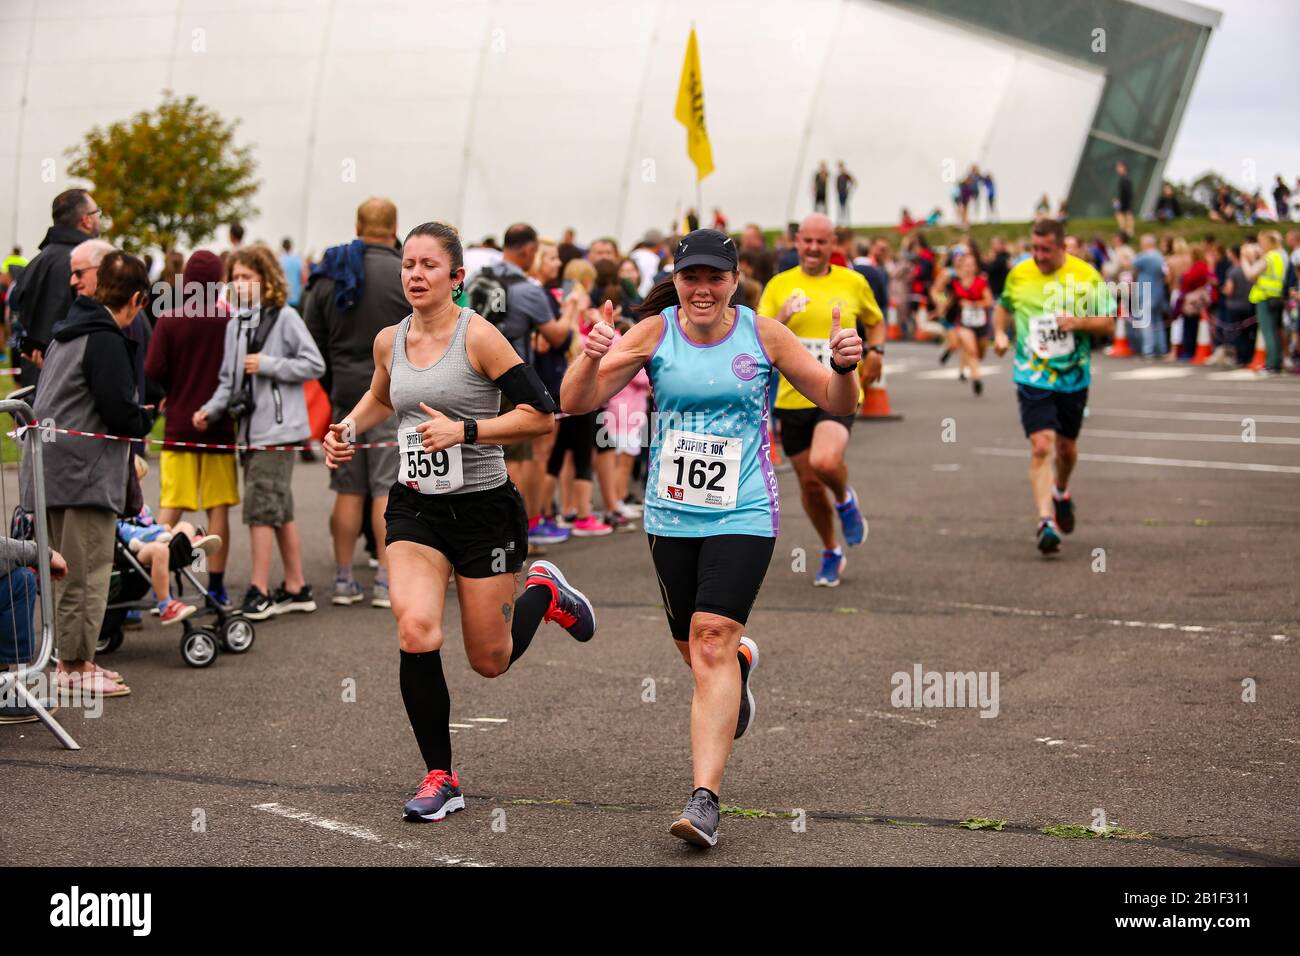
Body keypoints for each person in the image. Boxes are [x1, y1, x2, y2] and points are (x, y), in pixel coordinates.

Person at [560, 228, 863, 848]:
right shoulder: (653, 331)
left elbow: (837, 401)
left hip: (744, 508)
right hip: (670, 515)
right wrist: (591, 354)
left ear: (733, 281)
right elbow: (574, 400)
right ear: (676, 281)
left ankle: (705, 801)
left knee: (710, 641)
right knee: (698, 655)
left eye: (714, 278)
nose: (702, 289)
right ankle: (738, 673)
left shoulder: (762, 333)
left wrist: (844, 366)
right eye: (690, 278)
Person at [323, 221, 596, 822]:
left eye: (428, 265)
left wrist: (466, 429)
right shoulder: (388, 340)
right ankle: (441, 776)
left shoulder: (480, 338)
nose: (415, 275)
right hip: (416, 507)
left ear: (456, 277)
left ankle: (545, 593)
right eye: (408, 264)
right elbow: (378, 396)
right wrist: (345, 428)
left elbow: (541, 415)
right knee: (416, 628)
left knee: (489, 660)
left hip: (484, 511)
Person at [19, 251, 155, 698]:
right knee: (86, 570)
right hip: (84, 475)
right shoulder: (106, 340)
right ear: (136, 299)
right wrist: (143, 419)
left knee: (60, 570)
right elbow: (118, 411)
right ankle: (76, 667)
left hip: (50, 471)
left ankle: (68, 661)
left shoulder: (66, 334)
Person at [196, 245, 325, 620]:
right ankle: (297, 586)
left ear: (266, 280)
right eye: (235, 278)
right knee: (279, 511)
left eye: (247, 277)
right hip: (250, 433)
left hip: (277, 433)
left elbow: (313, 363)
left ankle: (260, 590)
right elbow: (227, 379)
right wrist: (211, 409)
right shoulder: (235, 323)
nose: (240, 284)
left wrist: (269, 364)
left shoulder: (285, 318)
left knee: (259, 512)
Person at [758, 214, 882, 587]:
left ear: (833, 245)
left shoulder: (854, 282)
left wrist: (876, 350)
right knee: (810, 485)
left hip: (837, 389)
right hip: (793, 397)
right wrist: (784, 315)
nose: (813, 248)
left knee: (825, 461)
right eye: (806, 241)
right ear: (797, 242)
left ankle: (844, 499)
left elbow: (875, 320)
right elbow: (759, 334)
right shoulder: (780, 285)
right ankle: (831, 549)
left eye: (821, 242)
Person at [304, 198, 409, 609]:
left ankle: (344, 579)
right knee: (386, 486)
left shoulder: (330, 274)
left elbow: (314, 339)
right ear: (394, 226)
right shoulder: (404, 273)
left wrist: (334, 380)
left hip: (345, 390)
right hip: (392, 391)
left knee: (347, 488)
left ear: (358, 224)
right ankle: (385, 580)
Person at [993, 219, 1115, 556]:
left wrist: (1078, 322)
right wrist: (1001, 334)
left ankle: (1061, 490)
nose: (1039, 256)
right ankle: (1045, 521)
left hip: (1073, 376)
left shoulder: (1086, 276)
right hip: (1032, 373)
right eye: (1034, 248)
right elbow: (1003, 308)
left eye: (1046, 250)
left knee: (1066, 449)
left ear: (1063, 246)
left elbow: (1108, 324)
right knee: (1041, 445)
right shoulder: (1019, 274)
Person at [144, 250, 239, 606]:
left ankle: (157, 585)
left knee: (171, 506)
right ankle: (215, 585)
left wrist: (171, 391)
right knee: (218, 509)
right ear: (219, 280)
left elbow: (152, 369)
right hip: (218, 427)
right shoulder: (230, 319)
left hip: (180, 424)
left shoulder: (170, 319)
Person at [466, 224, 572, 528]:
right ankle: (516, 525)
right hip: (511, 381)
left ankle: (482, 524)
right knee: (518, 455)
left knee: (475, 450)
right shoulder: (528, 290)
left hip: (472, 375)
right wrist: (571, 310)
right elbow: (558, 338)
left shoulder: (477, 278)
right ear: (527, 251)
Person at [9, 189, 104, 386]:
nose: (99, 219)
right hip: (68, 384)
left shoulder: (36, 262)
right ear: (86, 220)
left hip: (35, 377)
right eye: (97, 213)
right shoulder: (85, 266)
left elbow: (15, 313)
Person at [1243, 231, 1287, 373]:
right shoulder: (1280, 256)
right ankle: (1277, 362)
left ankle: (1271, 364)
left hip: (1265, 297)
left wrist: (1244, 259)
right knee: (1275, 331)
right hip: (1276, 296)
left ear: (1268, 243)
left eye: (1261, 242)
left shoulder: (1268, 257)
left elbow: (1251, 274)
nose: (1260, 246)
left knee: (1268, 332)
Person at [1131, 234, 1168, 358]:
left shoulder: (1144, 256)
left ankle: (1148, 350)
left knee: (1146, 322)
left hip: (1146, 291)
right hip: (1158, 292)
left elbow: (1132, 263)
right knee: (1158, 322)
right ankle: (1161, 348)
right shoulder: (1160, 256)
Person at [279, 238, 307, 310]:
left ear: (282, 247)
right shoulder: (298, 259)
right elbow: (304, 278)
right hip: (296, 298)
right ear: (291, 246)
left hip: (282, 297)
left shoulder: (279, 260)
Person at [1114, 162, 1135, 236]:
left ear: (1124, 168)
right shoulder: (1124, 178)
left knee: (1124, 215)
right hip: (1124, 202)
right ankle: (1125, 232)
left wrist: (1124, 203)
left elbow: (1127, 193)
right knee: (1123, 215)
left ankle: (1126, 232)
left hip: (1125, 202)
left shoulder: (1126, 179)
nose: (1117, 169)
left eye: (1119, 168)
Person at [835, 161, 856, 227]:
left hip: (845, 194)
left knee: (846, 207)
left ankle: (847, 222)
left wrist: (848, 189)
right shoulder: (839, 176)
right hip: (840, 193)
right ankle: (840, 222)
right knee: (840, 207)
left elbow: (853, 181)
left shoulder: (846, 175)